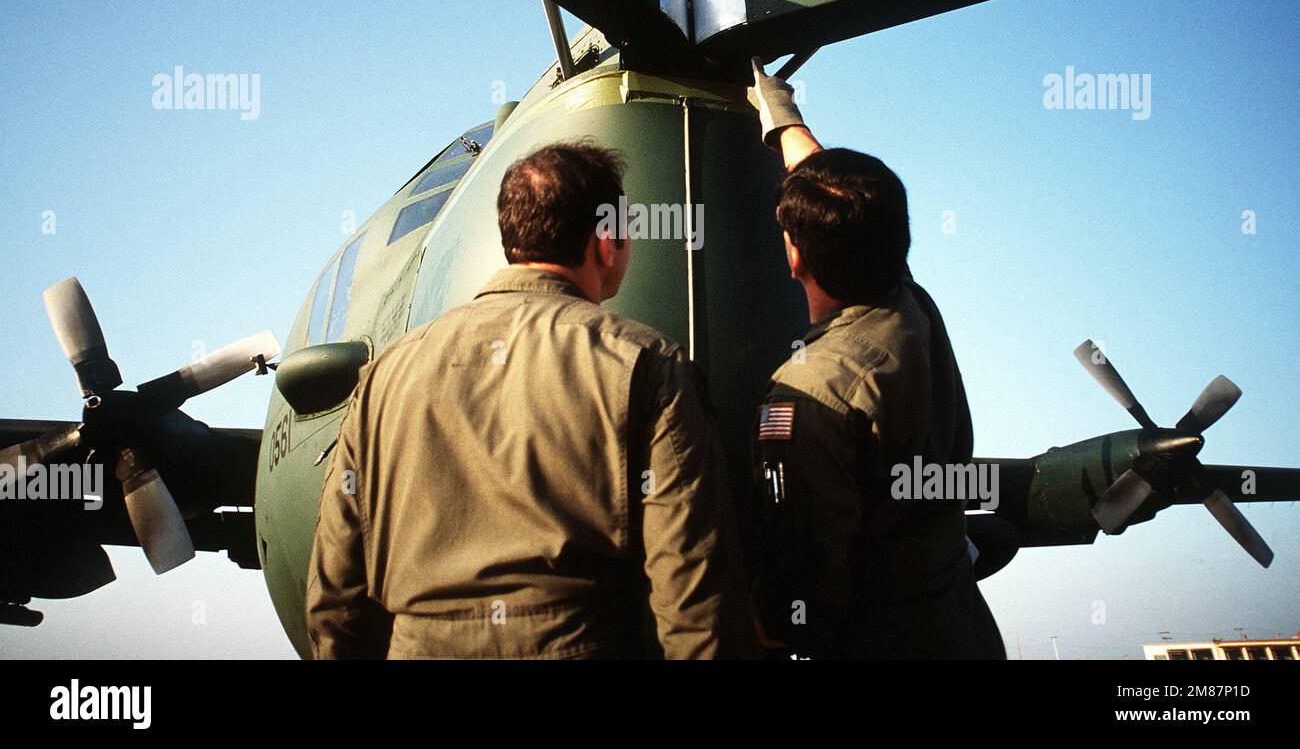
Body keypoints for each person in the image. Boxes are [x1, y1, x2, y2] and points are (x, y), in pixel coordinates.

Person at [306, 140, 756, 659]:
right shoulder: (647, 364)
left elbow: (335, 598)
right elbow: (695, 597)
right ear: (606, 241)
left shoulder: (384, 377)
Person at [747, 59, 1005, 659]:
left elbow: (803, 593)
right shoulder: (909, 302)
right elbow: (831, 187)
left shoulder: (807, 394)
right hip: (960, 629)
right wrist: (779, 110)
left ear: (795, 259)